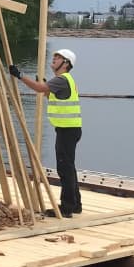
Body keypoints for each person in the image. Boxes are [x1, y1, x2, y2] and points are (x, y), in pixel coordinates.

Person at [9, 49, 82, 217]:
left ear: (66, 64)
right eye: (55, 56)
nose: (54, 59)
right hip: (68, 129)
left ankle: (67, 207)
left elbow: (40, 88)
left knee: (64, 168)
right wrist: (44, 88)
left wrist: (20, 75)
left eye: (58, 58)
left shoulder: (62, 79)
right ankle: (75, 204)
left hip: (67, 130)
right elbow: (49, 94)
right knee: (69, 167)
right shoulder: (64, 81)